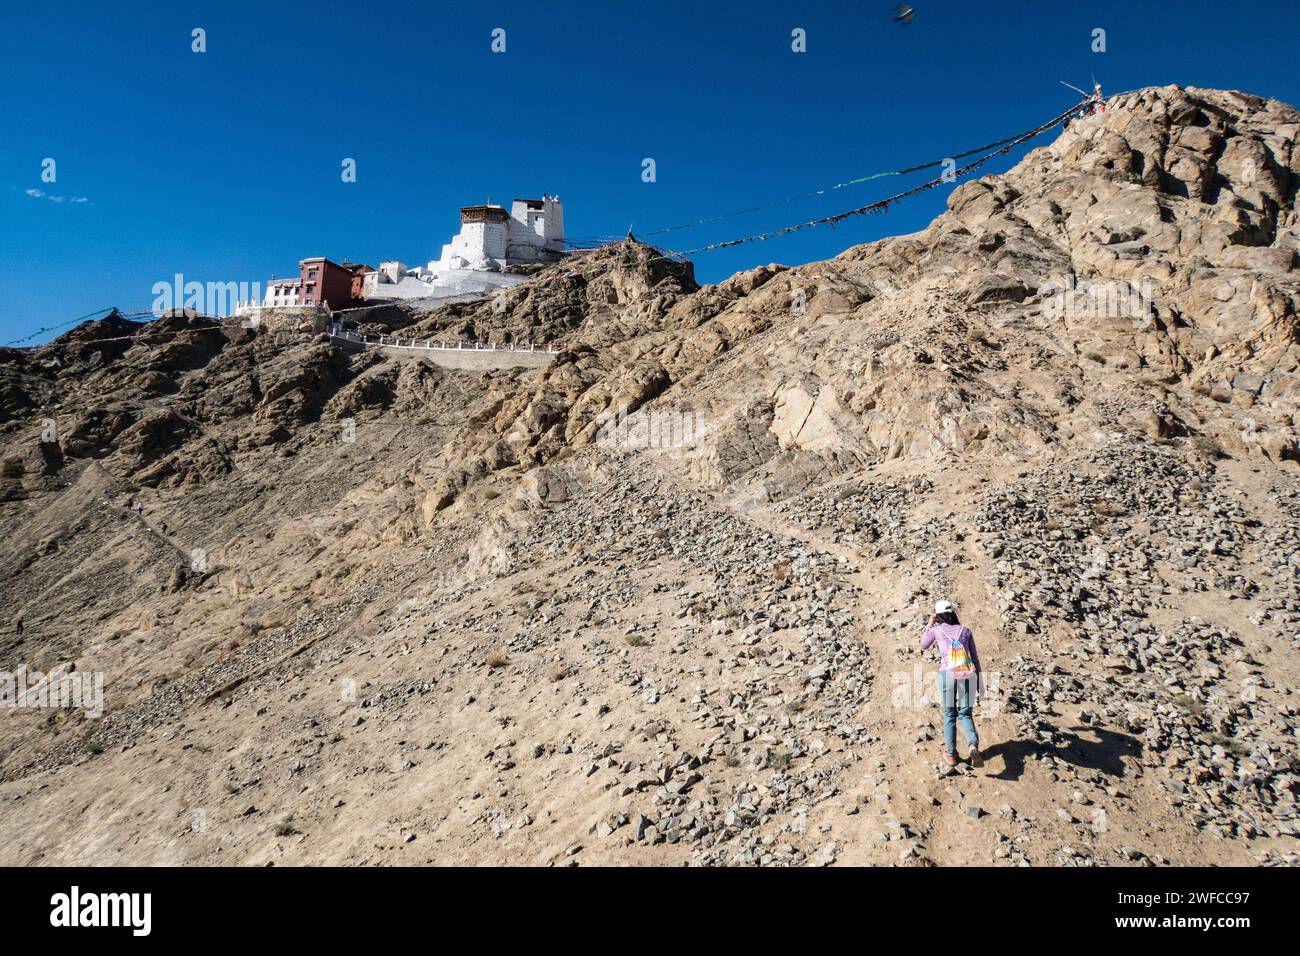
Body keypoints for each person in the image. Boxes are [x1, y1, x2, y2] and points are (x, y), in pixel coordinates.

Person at [921, 600, 983, 767]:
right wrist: (980, 681)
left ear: (938, 615)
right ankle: (972, 744)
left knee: (949, 714)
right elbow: (975, 657)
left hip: (947, 674)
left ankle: (951, 754)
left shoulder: (936, 630)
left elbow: (923, 645)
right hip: (968, 674)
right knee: (965, 714)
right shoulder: (966, 631)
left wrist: (929, 624)